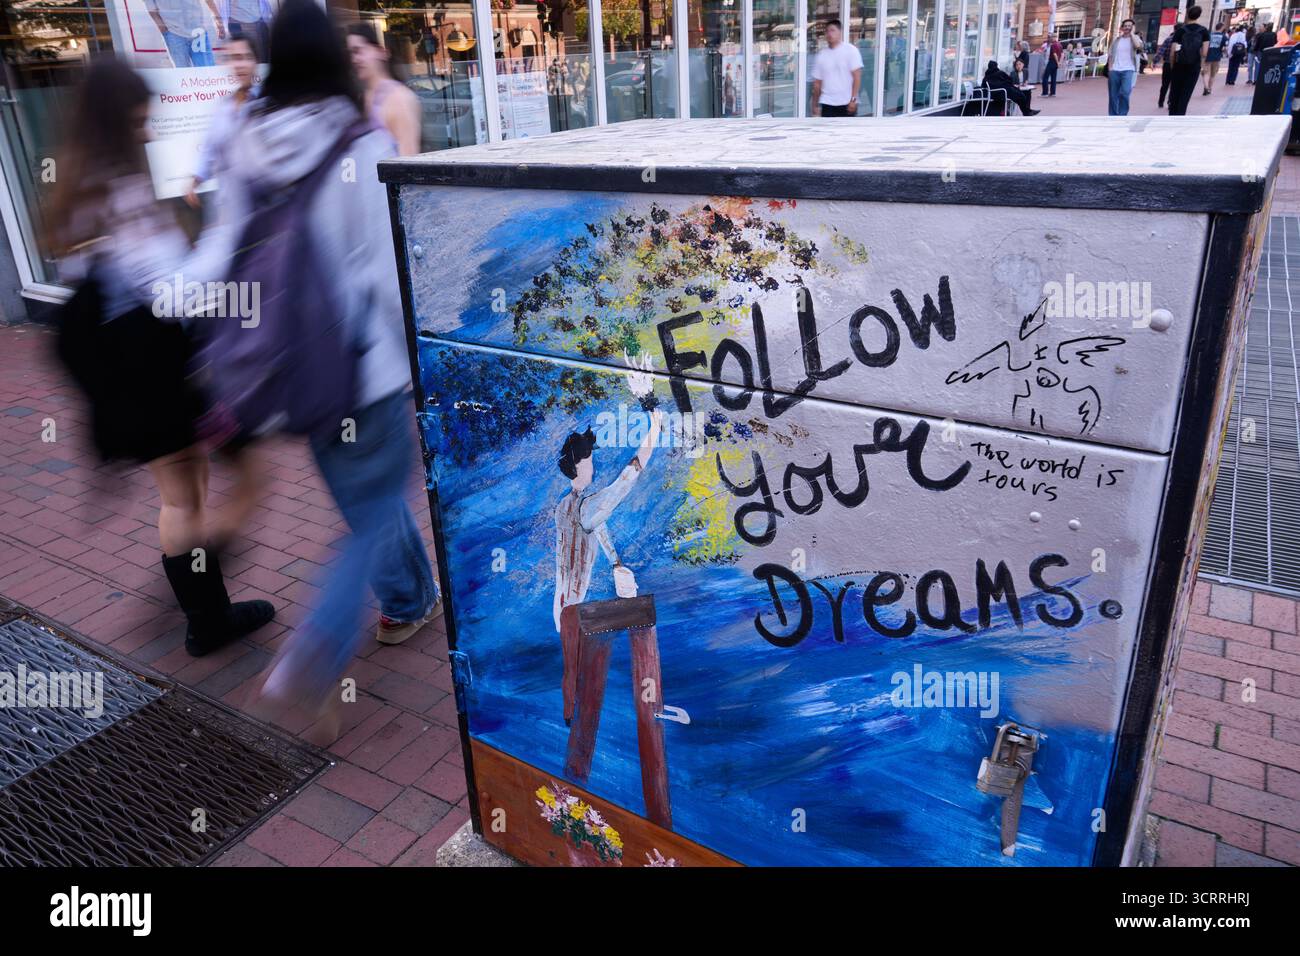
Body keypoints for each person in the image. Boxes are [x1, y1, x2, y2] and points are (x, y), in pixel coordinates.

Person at [228, 0, 438, 736]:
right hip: (366, 372)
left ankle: (410, 602)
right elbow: (385, 275)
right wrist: (417, 363)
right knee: (374, 509)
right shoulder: (360, 144)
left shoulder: (247, 144)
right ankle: (307, 665)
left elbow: (221, 264)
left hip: (297, 380)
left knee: (365, 499)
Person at [47, 60, 274, 658]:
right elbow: (177, 292)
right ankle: (202, 599)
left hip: (128, 375)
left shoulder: (76, 188)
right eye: (141, 121)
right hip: (164, 370)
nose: (148, 133)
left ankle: (208, 612)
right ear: (118, 121)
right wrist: (229, 230)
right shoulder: (122, 193)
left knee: (182, 496)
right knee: (243, 477)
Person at [186, 33, 260, 213]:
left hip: (263, 206)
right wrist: (195, 181)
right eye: (234, 58)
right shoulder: (223, 108)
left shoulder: (267, 102)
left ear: (255, 62)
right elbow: (210, 148)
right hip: (230, 206)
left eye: (245, 57)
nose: (240, 65)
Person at [345, 22, 422, 155]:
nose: (354, 59)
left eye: (358, 51)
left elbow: (408, 160)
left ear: (380, 52)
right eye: (351, 53)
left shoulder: (399, 98)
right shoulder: (362, 97)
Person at [146, 0, 226, 68]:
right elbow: (151, 8)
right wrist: (165, 32)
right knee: (184, 77)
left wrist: (217, 18)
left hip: (198, 31)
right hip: (173, 34)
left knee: (207, 74)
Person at [809, 19, 863, 117]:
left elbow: (857, 77)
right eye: (827, 31)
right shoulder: (821, 55)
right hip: (827, 103)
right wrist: (815, 105)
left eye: (832, 30)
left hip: (847, 103)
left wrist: (853, 100)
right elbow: (817, 84)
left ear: (840, 32)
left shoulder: (851, 51)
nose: (829, 34)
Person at [1168, 6, 1210, 115]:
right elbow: (1205, 53)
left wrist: (1172, 65)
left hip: (1179, 65)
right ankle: (1180, 115)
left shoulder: (1180, 30)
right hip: (1193, 66)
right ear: (1199, 16)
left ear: (1187, 14)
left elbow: (1172, 51)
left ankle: (1172, 116)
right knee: (1186, 93)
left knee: (1175, 92)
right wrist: (1201, 64)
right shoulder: (1204, 31)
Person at [1106, 19, 1145, 115]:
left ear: (1133, 27)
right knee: (1113, 95)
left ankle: (1122, 114)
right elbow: (1110, 54)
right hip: (1115, 70)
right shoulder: (1116, 40)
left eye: (1130, 25)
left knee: (1125, 92)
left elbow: (1138, 47)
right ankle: (1113, 115)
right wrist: (1110, 69)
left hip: (1128, 69)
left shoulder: (1135, 39)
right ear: (1122, 28)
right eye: (1125, 25)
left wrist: (1132, 34)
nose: (1127, 27)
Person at [1154, 26, 1179, 108]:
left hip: (1167, 64)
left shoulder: (1169, 39)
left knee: (1165, 84)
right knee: (1175, 85)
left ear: (1174, 29)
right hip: (1178, 65)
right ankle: (1170, 101)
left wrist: (1155, 61)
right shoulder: (1183, 40)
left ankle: (1161, 101)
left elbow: (1161, 51)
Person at [1202, 20, 1227, 94]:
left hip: (1208, 56)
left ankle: (1205, 87)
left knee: (1206, 73)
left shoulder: (1209, 35)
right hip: (1217, 57)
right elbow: (1225, 48)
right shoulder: (1224, 37)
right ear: (1222, 28)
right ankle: (1209, 88)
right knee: (1213, 74)